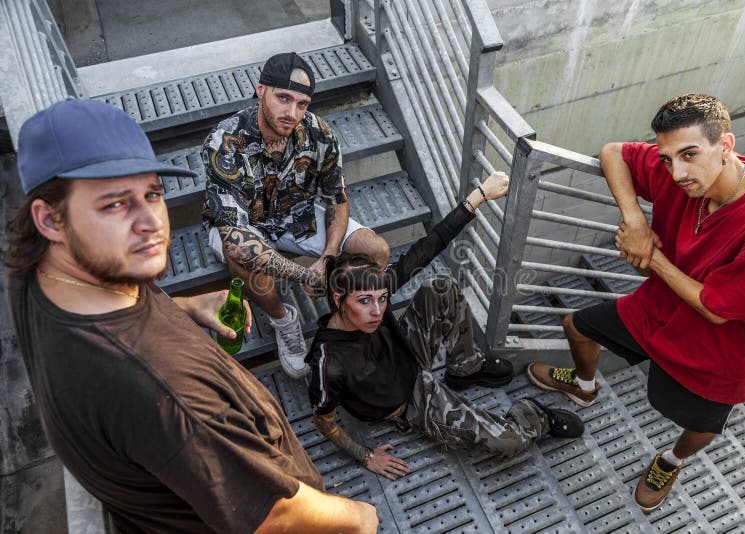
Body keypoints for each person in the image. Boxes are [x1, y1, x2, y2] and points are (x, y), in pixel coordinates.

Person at [6, 99, 378, 533]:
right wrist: (358, 518)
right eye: (114, 204)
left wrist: (181, 306)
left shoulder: (42, 273)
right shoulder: (164, 390)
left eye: (153, 194)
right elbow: (275, 515)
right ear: (49, 220)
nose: (151, 222)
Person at [527, 93, 745, 512]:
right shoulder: (685, 173)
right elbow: (612, 153)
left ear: (725, 147)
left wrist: (651, 257)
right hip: (658, 308)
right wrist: (635, 221)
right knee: (576, 327)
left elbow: (715, 307)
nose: (676, 173)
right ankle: (584, 388)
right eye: (667, 158)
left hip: (717, 350)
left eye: (689, 154)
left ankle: (670, 461)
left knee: (701, 424)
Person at [305, 171, 585, 480]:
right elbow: (324, 421)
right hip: (409, 402)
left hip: (407, 354)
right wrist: (366, 455)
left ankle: (465, 368)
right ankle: (535, 415)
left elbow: (427, 247)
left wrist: (478, 195)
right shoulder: (327, 363)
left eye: (383, 298)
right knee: (506, 440)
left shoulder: (372, 292)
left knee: (440, 287)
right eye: (364, 301)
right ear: (339, 298)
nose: (377, 310)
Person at [202, 52, 390, 379]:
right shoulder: (226, 142)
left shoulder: (319, 134)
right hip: (244, 224)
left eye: (301, 103)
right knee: (241, 258)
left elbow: (337, 200)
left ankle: (346, 315)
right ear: (260, 90)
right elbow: (234, 238)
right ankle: (283, 320)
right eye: (283, 98)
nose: (292, 113)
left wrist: (329, 258)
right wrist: (304, 275)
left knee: (377, 251)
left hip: (297, 217)